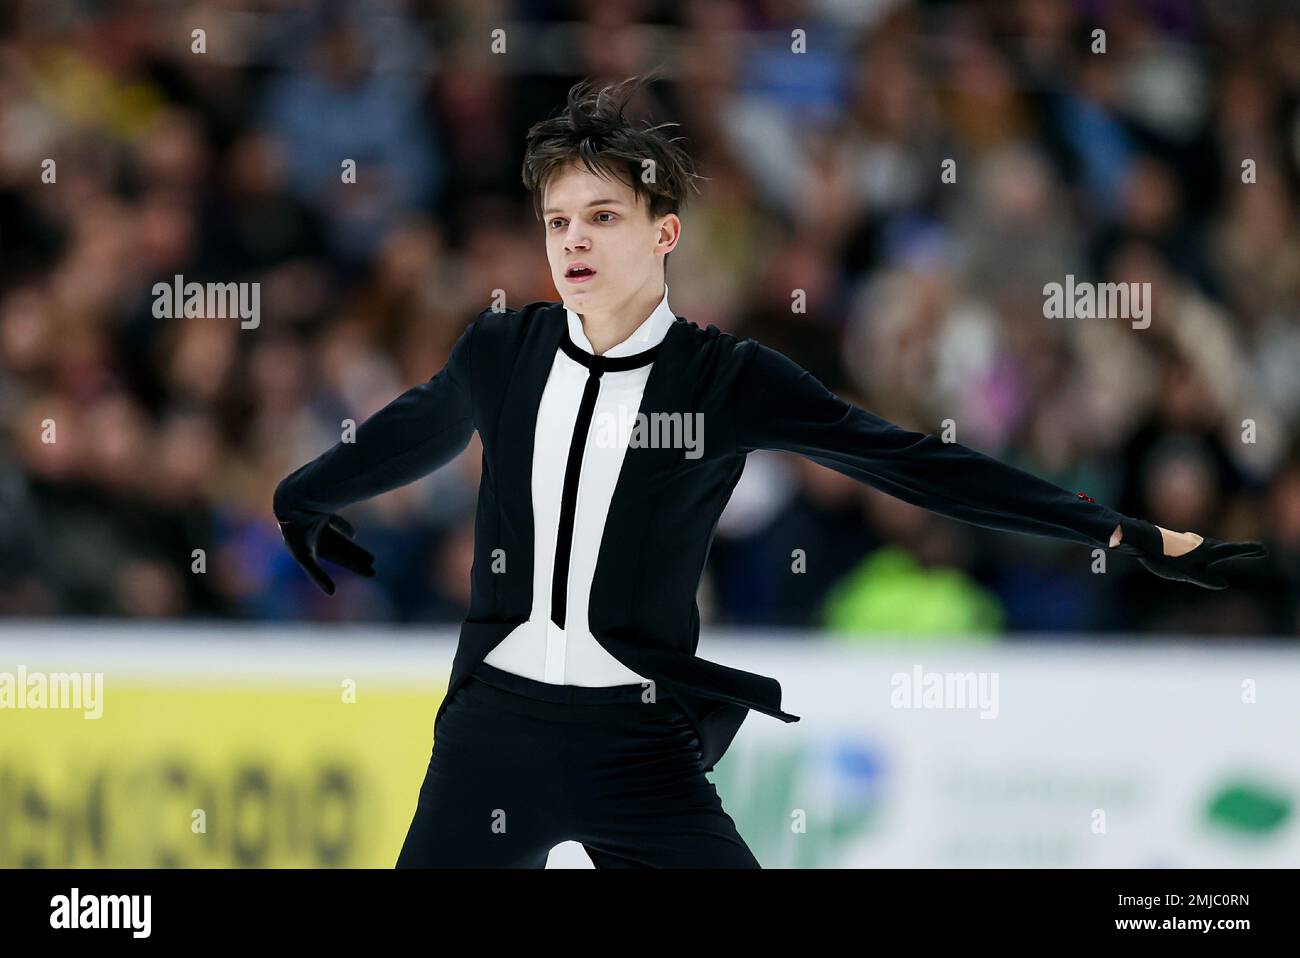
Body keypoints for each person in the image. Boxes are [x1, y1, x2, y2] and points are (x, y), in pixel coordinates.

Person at [273, 76, 1267, 868]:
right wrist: (305, 492)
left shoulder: (723, 377)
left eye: (601, 217)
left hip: (638, 747)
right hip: (493, 732)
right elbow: (414, 430)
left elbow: (915, 463)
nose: (572, 240)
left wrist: (1117, 531)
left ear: (663, 233)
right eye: (556, 220)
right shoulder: (502, 349)